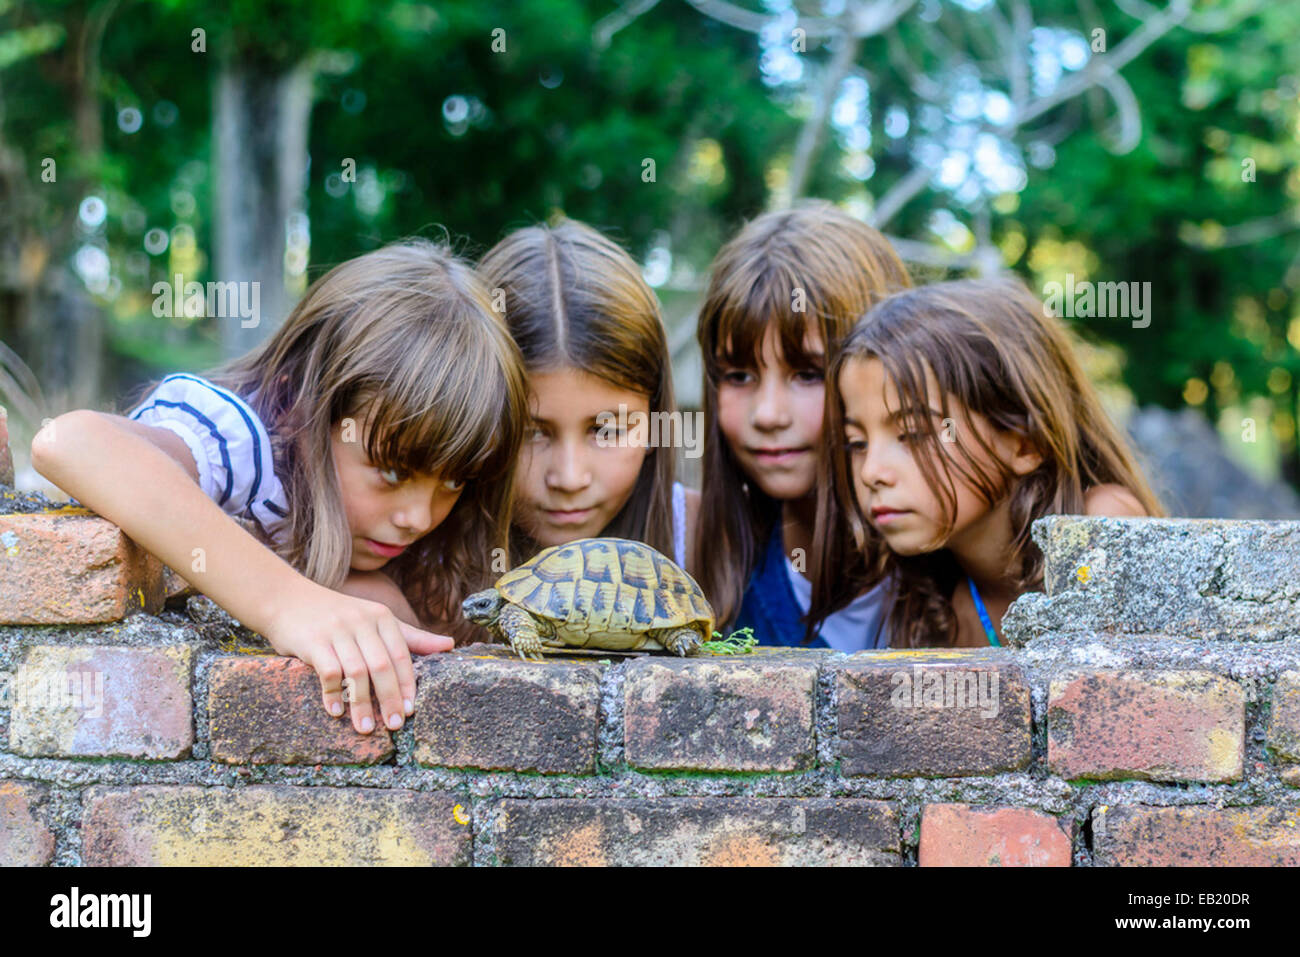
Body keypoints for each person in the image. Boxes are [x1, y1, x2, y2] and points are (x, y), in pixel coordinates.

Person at [31, 239, 529, 732]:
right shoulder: (244, 443)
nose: (418, 517)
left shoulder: (424, 544)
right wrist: (288, 604)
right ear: (302, 402)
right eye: (393, 472)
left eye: (455, 480)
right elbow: (70, 441)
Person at [813, 276, 1163, 648]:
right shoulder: (946, 612)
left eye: (913, 434)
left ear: (1025, 442)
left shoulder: (1100, 526)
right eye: (857, 443)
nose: (871, 473)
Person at [694, 200, 911, 649]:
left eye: (808, 374)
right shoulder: (705, 580)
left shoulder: (967, 573)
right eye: (738, 375)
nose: (769, 414)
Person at [478, 218, 698, 572]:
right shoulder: (410, 575)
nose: (568, 478)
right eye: (529, 433)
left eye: (607, 430)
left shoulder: (708, 541)